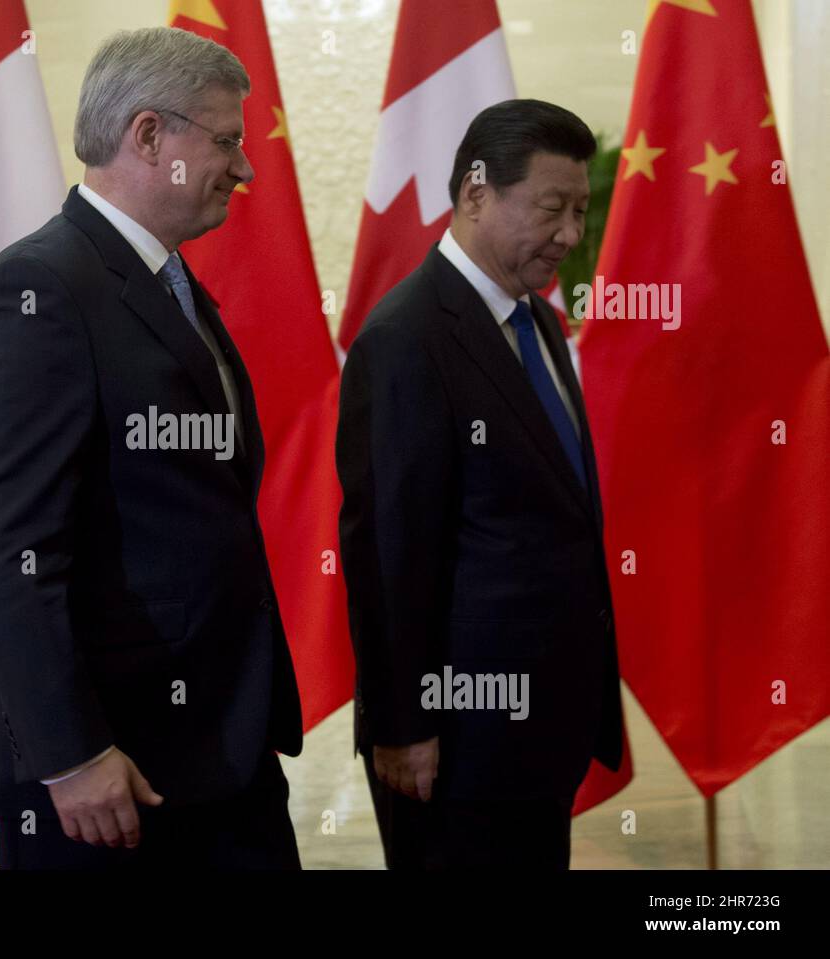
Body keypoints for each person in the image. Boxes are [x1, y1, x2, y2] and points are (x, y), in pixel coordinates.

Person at [0, 26, 302, 870]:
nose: (245, 168)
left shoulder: (166, 282)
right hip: (111, 778)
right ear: (150, 135)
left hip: (215, 747)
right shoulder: (41, 286)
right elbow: (4, 548)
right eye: (226, 140)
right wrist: (71, 754)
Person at [337, 99, 625, 870]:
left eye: (581, 210)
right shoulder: (406, 338)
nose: (571, 234)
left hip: (542, 730)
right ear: (475, 194)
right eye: (552, 209)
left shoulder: (538, 323)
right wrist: (402, 723)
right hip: (458, 740)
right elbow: (386, 550)